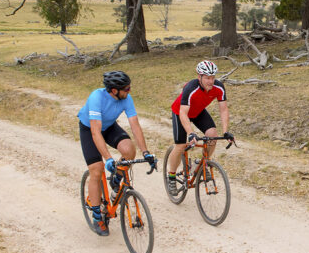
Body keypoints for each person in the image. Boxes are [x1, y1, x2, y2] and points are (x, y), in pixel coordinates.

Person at [78, 70, 155, 236]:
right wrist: (108, 158)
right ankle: (97, 216)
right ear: (114, 90)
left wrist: (146, 152)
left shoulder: (126, 98)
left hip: (109, 126)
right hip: (90, 129)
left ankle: (116, 179)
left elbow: (135, 125)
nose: (129, 91)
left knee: (129, 150)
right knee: (97, 170)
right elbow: (95, 132)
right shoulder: (96, 97)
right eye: (126, 89)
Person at [167, 60, 233, 193]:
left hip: (198, 112)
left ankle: (202, 164)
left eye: (213, 77)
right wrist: (191, 133)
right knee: (180, 146)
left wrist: (226, 131)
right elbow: (183, 113)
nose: (211, 81)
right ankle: (171, 177)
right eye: (207, 78)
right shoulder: (191, 88)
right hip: (180, 112)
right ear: (199, 77)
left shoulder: (219, 87)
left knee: (212, 135)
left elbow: (224, 109)